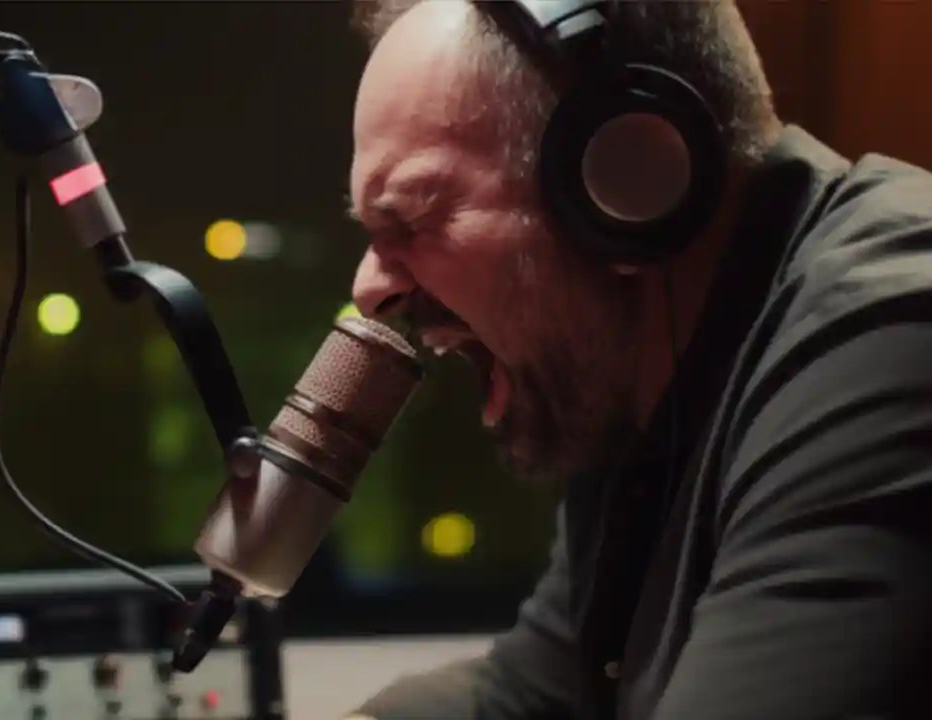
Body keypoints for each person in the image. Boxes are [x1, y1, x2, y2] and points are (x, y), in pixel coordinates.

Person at [341, 1, 932, 718]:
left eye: (409, 216)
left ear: (622, 179)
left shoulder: (891, 339)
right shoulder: (641, 376)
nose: (370, 289)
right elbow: (534, 694)